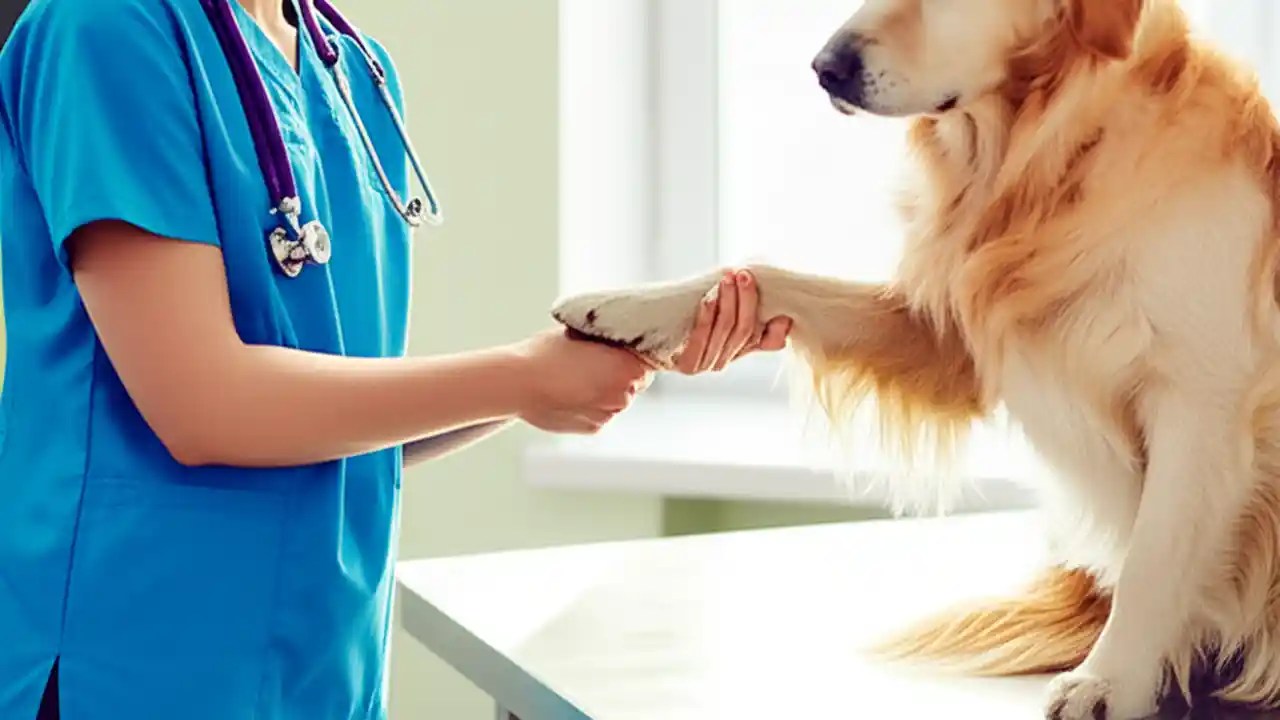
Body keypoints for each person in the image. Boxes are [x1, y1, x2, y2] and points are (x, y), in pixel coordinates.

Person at [0, 0, 791, 718]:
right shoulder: (104, 30)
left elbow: (342, 436)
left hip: (325, 669)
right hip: (142, 666)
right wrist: (524, 376)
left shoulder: (352, 69)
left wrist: (576, 371)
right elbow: (204, 407)